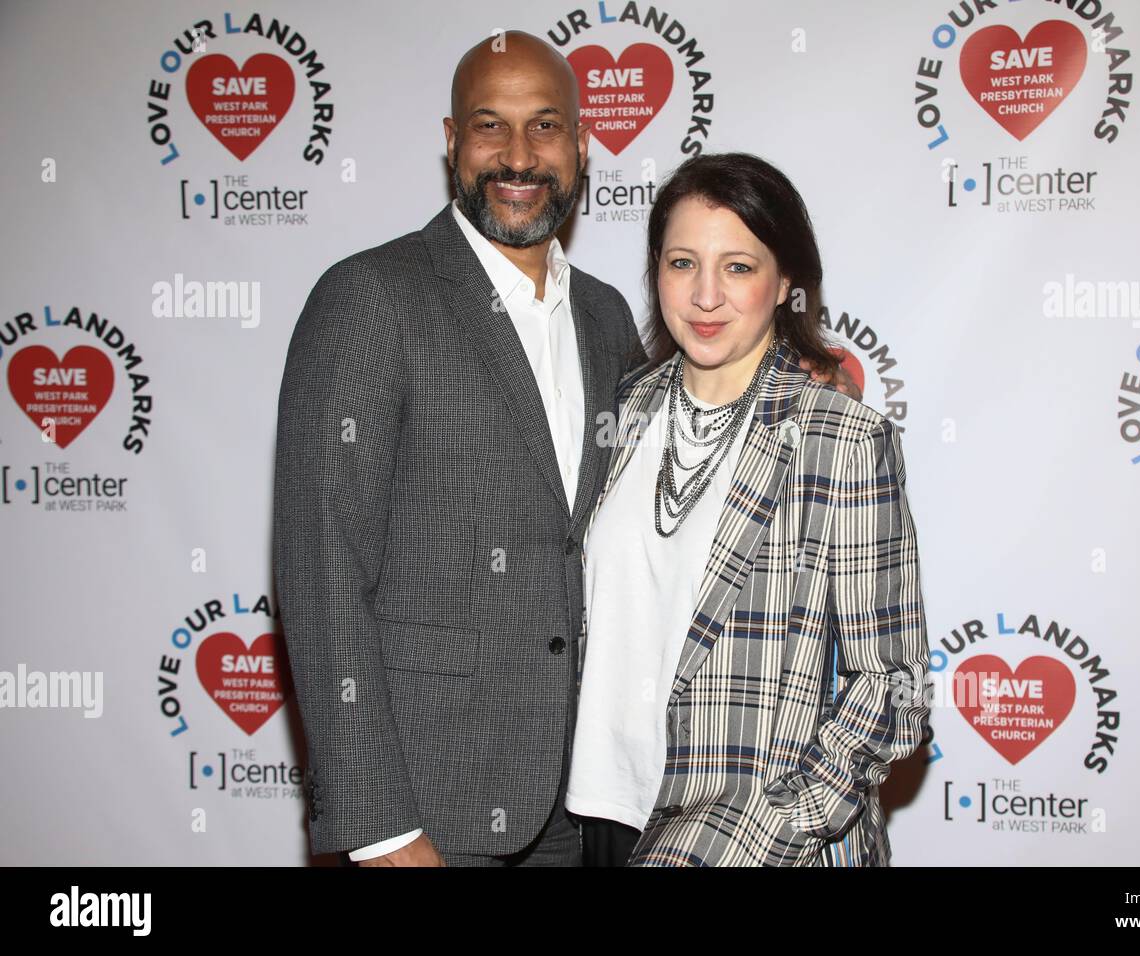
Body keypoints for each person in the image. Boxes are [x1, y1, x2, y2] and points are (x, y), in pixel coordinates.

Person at [275, 29, 865, 867]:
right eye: (491, 126)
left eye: (545, 127)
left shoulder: (602, 317)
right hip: (429, 812)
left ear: (583, 147)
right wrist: (379, 825)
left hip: (584, 808)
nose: (519, 156)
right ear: (452, 145)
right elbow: (320, 566)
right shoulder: (371, 297)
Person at [565, 153, 930, 866]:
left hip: (754, 841)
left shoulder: (842, 439)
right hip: (603, 816)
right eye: (681, 263)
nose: (706, 296)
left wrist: (778, 828)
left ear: (786, 281)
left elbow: (891, 686)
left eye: (737, 266)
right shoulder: (621, 412)